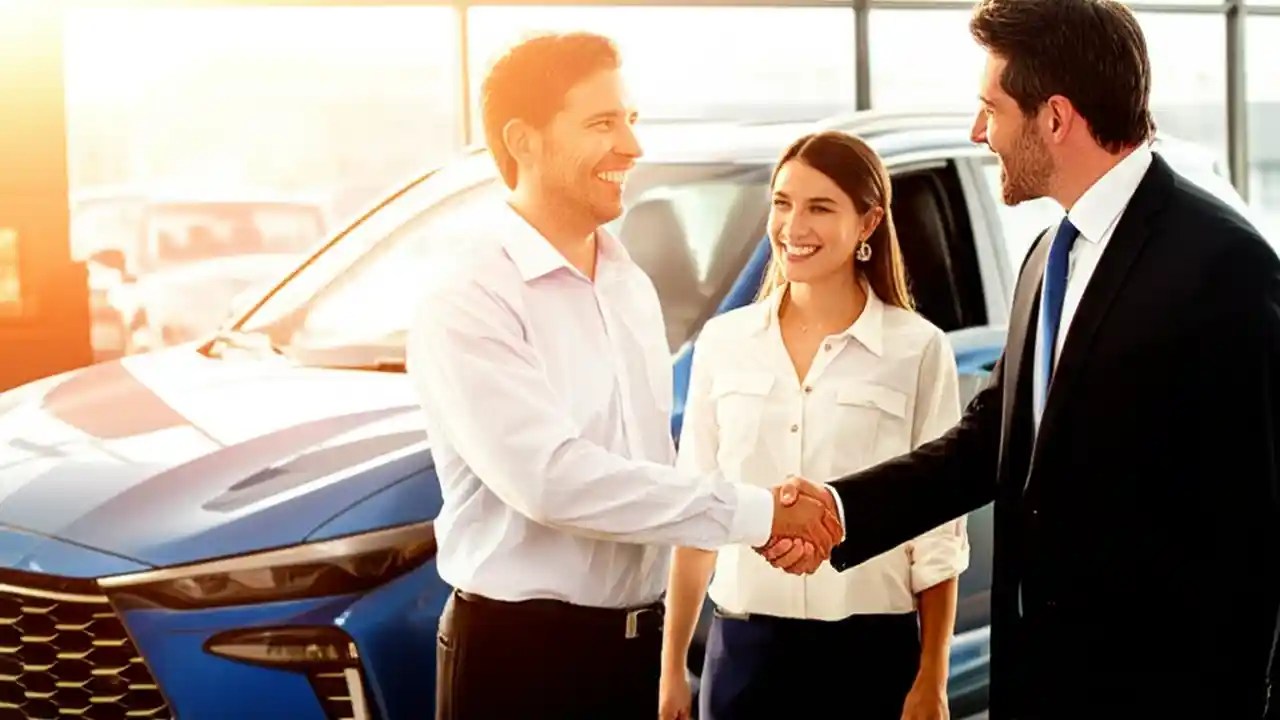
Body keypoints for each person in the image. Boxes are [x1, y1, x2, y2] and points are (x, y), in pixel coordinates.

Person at [761, 0, 1280, 717]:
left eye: (992, 109)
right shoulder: (1046, 258)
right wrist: (842, 509)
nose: (981, 133)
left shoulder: (1223, 262)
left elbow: (1257, 524)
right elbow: (989, 444)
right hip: (1042, 683)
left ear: (1056, 118)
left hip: (1161, 693)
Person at [404, 31, 841, 720]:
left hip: (631, 656)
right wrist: (759, 513)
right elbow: (551, 480)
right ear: (523, 141)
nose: (633, 147)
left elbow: (649, 472)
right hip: (523, 669)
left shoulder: (627, 282)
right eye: (602, 122)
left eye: (630, 120)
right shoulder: (470, 292)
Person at [657, 130, 970, 720]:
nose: (792, 226)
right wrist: (673, 667)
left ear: (868, 221)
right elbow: (700, 510)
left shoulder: (918, 350)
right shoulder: (724, 344)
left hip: (872, 657)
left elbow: (938, 540)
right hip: (744, 657)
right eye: (782, 203)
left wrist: (932, 681)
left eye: (820, 207)